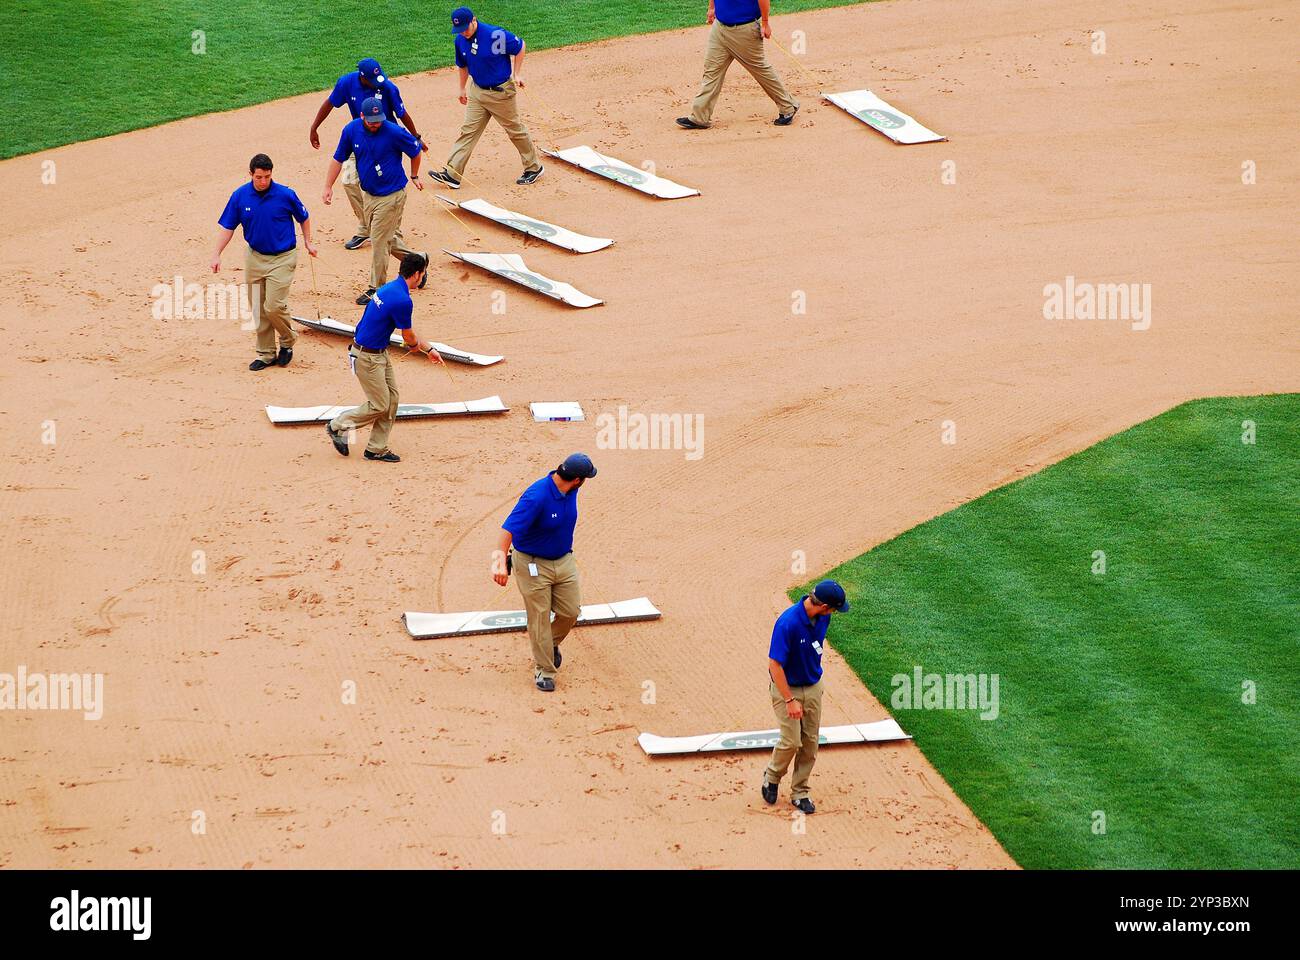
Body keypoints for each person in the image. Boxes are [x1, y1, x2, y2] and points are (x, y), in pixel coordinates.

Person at [325, 253, 444, 463]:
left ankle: (376, 448)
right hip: (368, 357)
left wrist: (429, 348)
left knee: (392, 400)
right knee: (380, 404)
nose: (423, 277)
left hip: (377, 353)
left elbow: (409, 330)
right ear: (416, 274)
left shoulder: (390, 288)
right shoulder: (403, 300)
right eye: (423, 273)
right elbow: (408, 337)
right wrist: (416, 347)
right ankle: (337, 425)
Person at [493, 454, 598, 691]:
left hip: (563, 560)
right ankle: (544, 670)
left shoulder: (571, 489)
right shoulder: (536, 496)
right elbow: (507, 530)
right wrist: (500, 561)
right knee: (539, 617)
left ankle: (549, 644)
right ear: (578, 479)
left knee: (570, 612)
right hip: (532, 565)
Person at [308, 58, 430, 250]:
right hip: (359, 139)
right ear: (362, 78)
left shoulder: (388, 87)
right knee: (348, 181)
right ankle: (367, 226)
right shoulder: (347, 83)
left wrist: (416, 137)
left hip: (387, 141)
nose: (378, 83)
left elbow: (401, 113)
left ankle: (392, 231)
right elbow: (329, 103)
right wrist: (314, 127)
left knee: (388, 185)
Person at [211, 153, 316, 371]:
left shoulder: (285, 195)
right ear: (251, 174)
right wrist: (216, 253)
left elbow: (303, 217)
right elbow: (228, 227)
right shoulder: (240, 196)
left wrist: (308, 241)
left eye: (267, 177)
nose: (263, 181)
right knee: (258, 308)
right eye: (259, 177)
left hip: (283, 257)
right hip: (255, 257)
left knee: (274, 306)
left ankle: (287, 340)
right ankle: (267, 353)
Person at [427, 6, 544, 189]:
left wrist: (517, 74)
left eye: (466, 27)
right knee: (468, 131)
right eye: (459, 29)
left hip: (500, 93)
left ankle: (533, 167)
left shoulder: (494, 34)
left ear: (474, 20)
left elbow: (520, 46)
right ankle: (453, 174)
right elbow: (463, 65)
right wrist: (461, 88)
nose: (463, 32)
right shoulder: (460, 40)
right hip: (477, 92)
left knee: (515, 130)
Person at [323, 97, 426, 305]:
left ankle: (376, 290)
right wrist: (328, 186)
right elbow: (338, 158)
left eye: (378, 120)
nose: (375, 124)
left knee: (378, 240)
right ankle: (418, 261)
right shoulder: (351, 130)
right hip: (369, 195)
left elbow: (416, 151)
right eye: (371, 121)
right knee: (383, 236)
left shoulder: (394, 131)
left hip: (392, 196)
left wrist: (414, 175)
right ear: (362, 116)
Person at [761, 579, 850, 814]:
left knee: (810, 743)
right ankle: (772, 776)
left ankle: (800, 792)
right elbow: (775, 665)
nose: (833, 613)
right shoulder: (787, 623)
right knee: (792, 741)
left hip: (812, 687)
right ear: (824, 606)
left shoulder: (823, 618)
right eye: (833, 609)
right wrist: (789, 700)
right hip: (786, 688)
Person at [676, 0, 799, 130]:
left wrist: (765, 23)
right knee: (711, 71)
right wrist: (711, 8)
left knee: (760, 70)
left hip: (744, 30)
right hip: (719, 28)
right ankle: (700, 117)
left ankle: (788, 106)